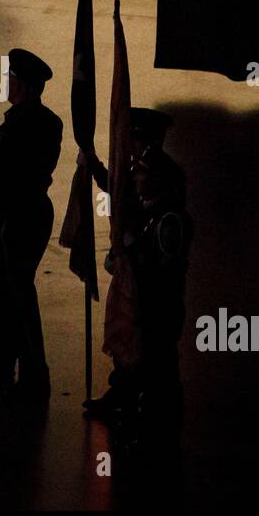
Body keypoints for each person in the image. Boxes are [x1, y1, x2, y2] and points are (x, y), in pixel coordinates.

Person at [81, 108, 191, 435]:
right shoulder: (148, 191)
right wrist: (95, 166)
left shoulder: (168, 221)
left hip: (158, 300)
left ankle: (161, 418)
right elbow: (121, 189)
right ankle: (124, 400)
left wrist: (129, 246)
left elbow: (160, 268)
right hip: (139, 295)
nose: (136, 179)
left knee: (158, 360)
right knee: (130, 350)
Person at [0, 48, 62, 400]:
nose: (5, 83)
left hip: (14, 219)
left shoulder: (13, 129)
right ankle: (7, 360)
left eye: (10, 79)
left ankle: (32, 370)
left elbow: (0, 178)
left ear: (20, 85)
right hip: (37, 212)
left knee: (16, 296)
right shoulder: (52, 123)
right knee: (14, 292)